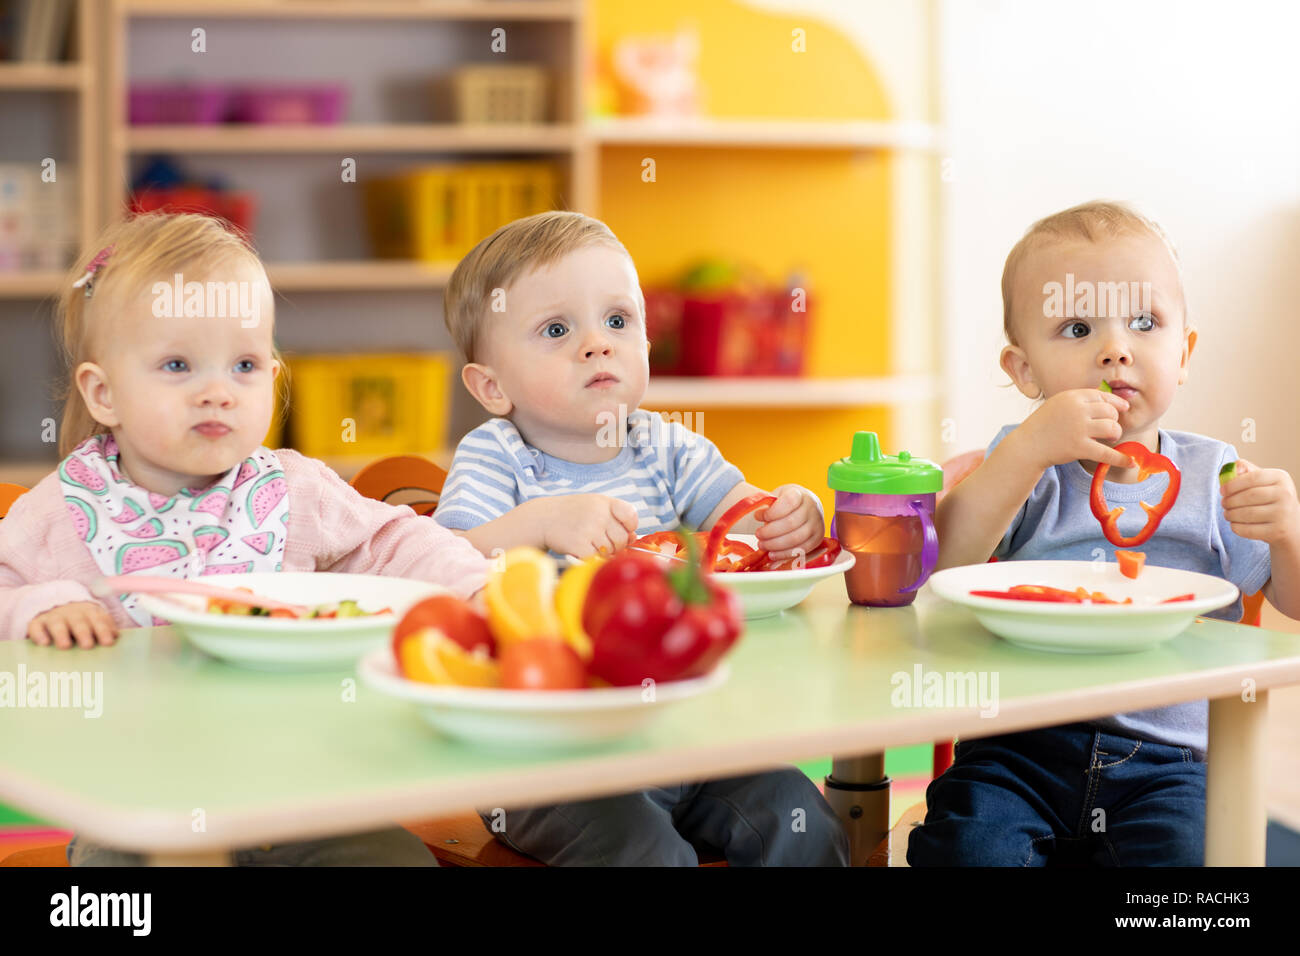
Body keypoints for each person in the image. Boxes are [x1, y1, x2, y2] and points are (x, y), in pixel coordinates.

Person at [0, 212, 491, 865]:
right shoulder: (61, 512)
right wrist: (39, 605)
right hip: (139, 811)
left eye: (245, 365)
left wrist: (478, 588)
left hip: (309, 792)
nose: (217, 392)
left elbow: (399, 543)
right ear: (104, 392)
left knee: (394, 859)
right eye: (177, 364)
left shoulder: (296, 490)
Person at [434, 210, 849, 866]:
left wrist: (790, 516)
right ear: (492, 386)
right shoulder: (498, 454)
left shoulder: (669, 446)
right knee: (649, 854)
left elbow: (745, 521)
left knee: (806, 827)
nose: (597, 344)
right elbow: (446, 562)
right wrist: (540, 523)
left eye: (618, 321)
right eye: (556, 329)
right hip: (547, 765)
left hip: (692, 736)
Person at [909, 200, 1300, 866]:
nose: (1115, 348)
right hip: (1017, 746)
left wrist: (1289, 536)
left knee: (1193, 865)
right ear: (1025, 372)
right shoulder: (1022, 464)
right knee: (964, 847)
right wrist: (1026, 451)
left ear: (1183, 353)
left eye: (1144, 323)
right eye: (1078, 326)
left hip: (1172, 762)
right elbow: (941, 564)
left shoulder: (1215, 475)